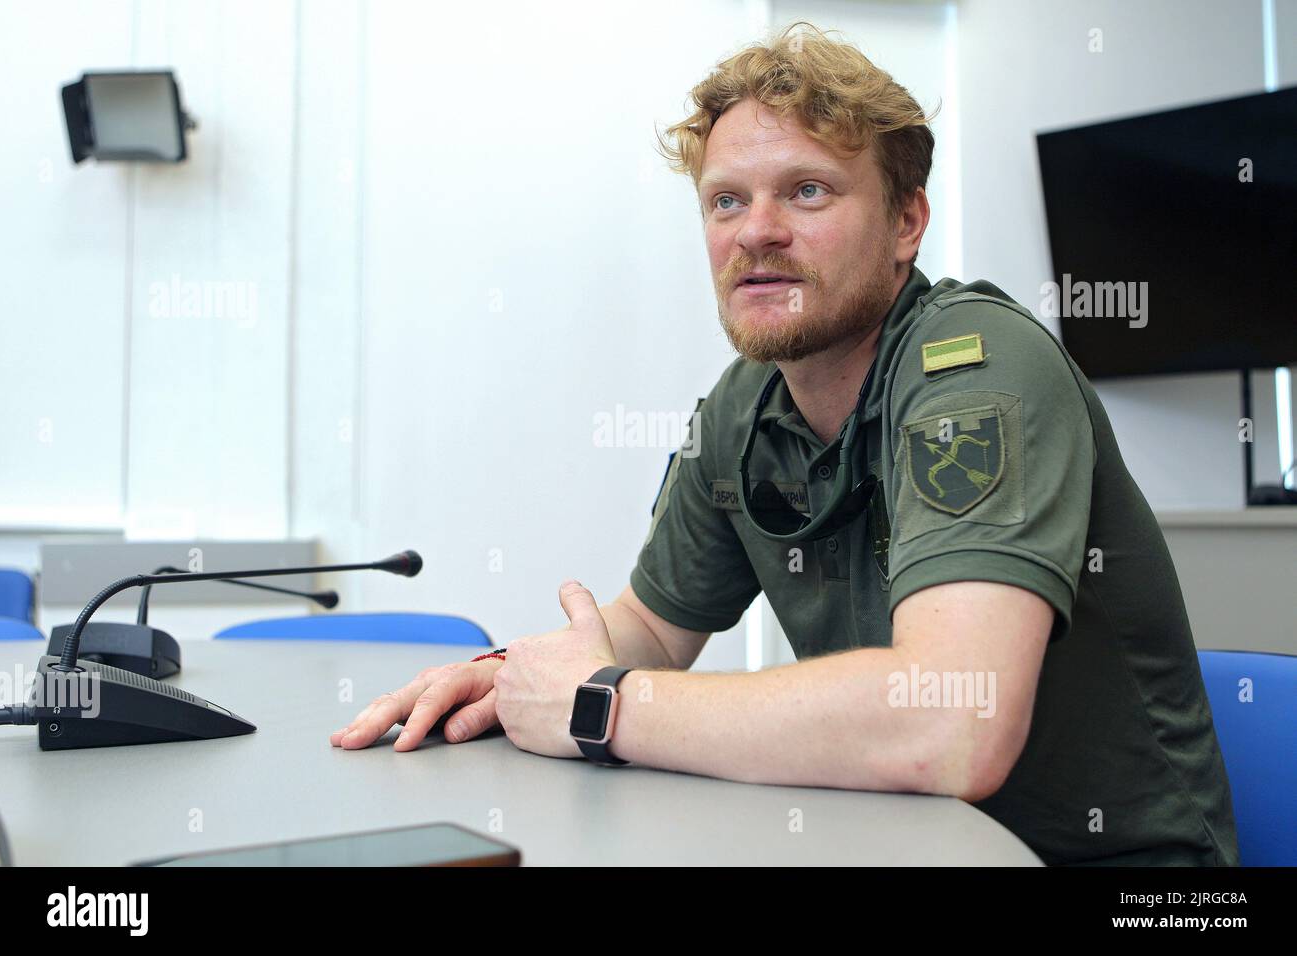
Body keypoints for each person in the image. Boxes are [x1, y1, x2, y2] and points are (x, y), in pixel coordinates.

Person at [331, 23, 1238, 867]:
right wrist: (505, 677)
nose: (755, 231)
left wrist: (603, 705)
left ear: (906, 223)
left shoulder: (981, 366)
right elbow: (649, 627)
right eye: (726, 200)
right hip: (894, 846)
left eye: (807, 190)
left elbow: (952, 725)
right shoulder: (745, 405)